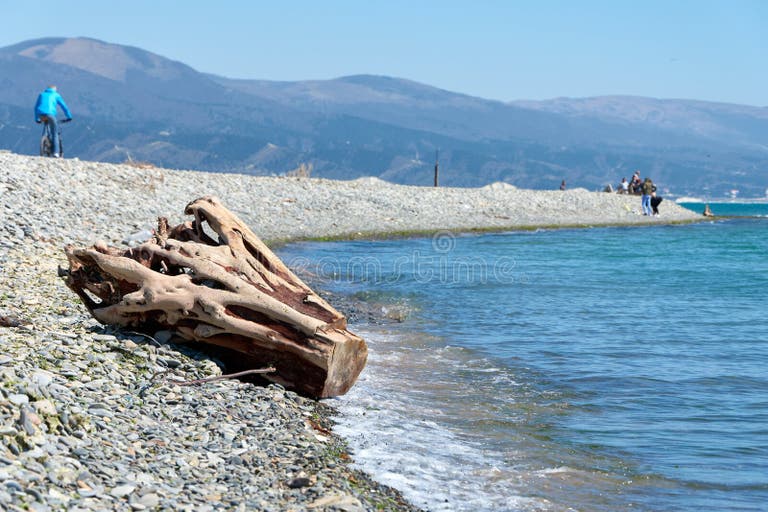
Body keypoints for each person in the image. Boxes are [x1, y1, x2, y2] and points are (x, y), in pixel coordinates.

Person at [34, 85, 72, 158]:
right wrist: (69, 116)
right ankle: (56, 152)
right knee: (54, 133)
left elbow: (36, 107)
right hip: (51, 115)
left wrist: (37, 119)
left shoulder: (41, 94)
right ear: (54, 89)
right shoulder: (56, 95)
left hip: (41, 114)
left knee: (46, 125)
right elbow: (64, 106)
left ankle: (44, 141)